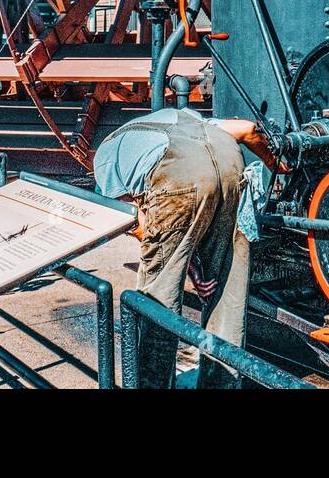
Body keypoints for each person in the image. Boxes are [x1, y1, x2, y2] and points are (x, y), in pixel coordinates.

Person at [92, 107, 273, 387]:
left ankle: (152, 384)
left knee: (159, 294)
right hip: (230, 164)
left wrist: (185, 266)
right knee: (227, 288)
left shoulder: (104, 160)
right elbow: (248, 130)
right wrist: (281, 168)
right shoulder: (187, 116)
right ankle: (221, 382)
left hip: (174, 173)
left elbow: (141, 224)